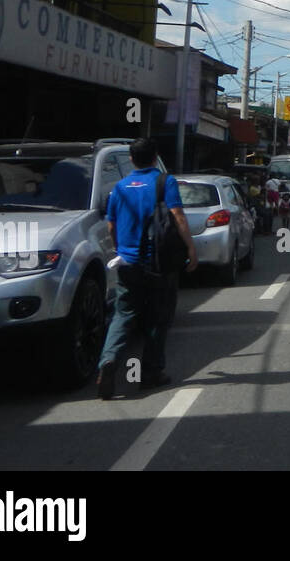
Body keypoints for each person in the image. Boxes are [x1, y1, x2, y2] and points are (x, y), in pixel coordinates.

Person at [97, 138, 197, 399]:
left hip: (128, 264)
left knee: (123, 314)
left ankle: (108, 360)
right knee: (158, 319)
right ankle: (151, 373)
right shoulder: (165, 182)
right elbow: (178, 216)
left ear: (131, 159)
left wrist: (122, 251)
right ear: (155, 157)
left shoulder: (119, 187)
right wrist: (191, 249)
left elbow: (110, 226)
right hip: (160, 265)